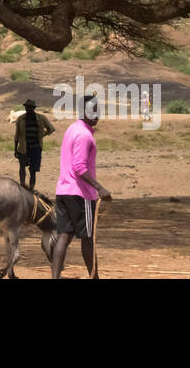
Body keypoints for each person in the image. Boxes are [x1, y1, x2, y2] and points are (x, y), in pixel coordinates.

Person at [51, 95, 112, 279]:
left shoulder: (72, 129)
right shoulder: (84, 135)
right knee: (87, 238)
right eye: (91, 111)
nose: (96, 115)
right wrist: (99, 188)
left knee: (64, 236)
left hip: (63, 191)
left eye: (97, 110)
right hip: (80, 194)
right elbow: (79, 168)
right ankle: (94, 277)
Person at [14, 99, 55, 190]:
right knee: (22, 167)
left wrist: (42, 135)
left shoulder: (41, 118)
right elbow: (16, 136)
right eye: (26, 107)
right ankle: (22, 186)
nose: (28, 109)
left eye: (30, 107)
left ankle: (31, 189)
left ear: (33, 108)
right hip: (23, 148)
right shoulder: (21, 119)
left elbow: (51, 129)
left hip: (35, 148)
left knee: (33, 170)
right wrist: (15, 149)